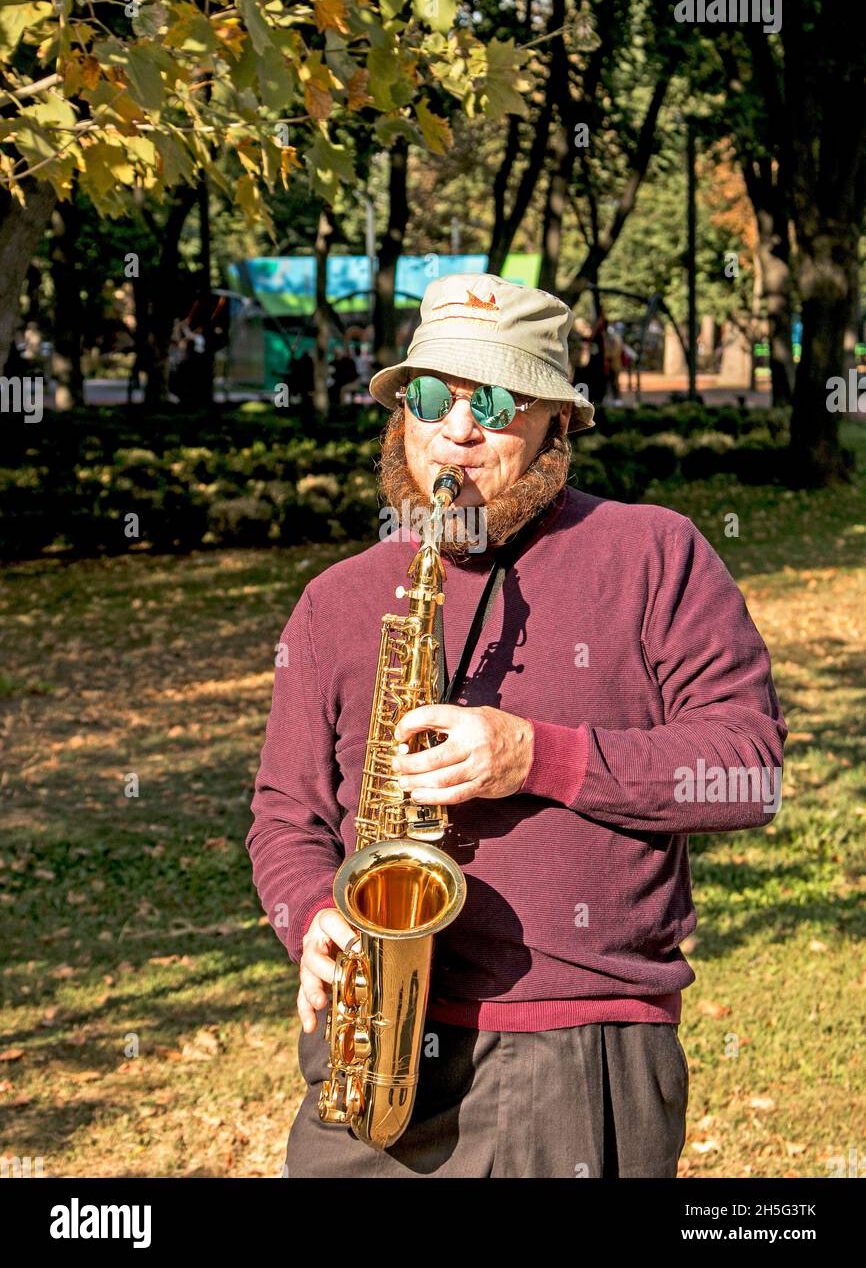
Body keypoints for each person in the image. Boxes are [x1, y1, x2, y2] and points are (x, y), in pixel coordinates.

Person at [246, 272, 788, 1179]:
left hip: (572, 1053)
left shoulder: (653, 552)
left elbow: (749, 770)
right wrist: (311, 914)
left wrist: (537, 755)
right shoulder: (334, 600)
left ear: (556, 423)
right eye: (431, 398)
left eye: (493, 403)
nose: (456, 431)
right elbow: (284, 814)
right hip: (363, 1054)